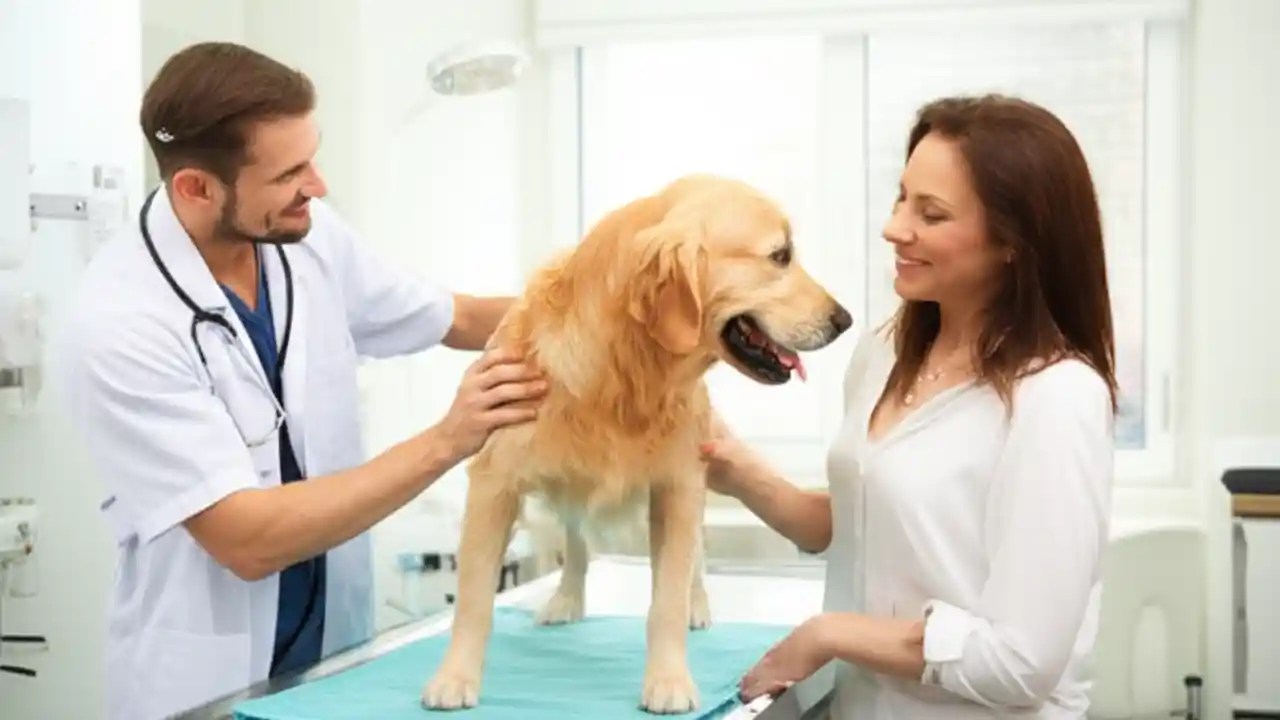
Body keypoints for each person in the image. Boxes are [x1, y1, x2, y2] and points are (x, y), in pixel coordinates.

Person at [56, 42, 545, 720]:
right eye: (290, 172)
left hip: (334, 660)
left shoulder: (305, 235)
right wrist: (449, 439)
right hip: (202, 685)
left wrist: (597, 308)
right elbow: (247, 540)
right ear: (197, 187)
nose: (317, 184)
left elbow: (455, 317)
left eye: (312, 157)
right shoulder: (119, 322)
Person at [701, 94, 1117, 719]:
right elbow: (860, 526)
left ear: (1013, 242)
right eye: (901, 199)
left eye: (933, 213)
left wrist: (829, 634)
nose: (895, 228)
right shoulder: (886, 353)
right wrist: (730, 467)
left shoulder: (1057, 397)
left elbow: (1021, 663)